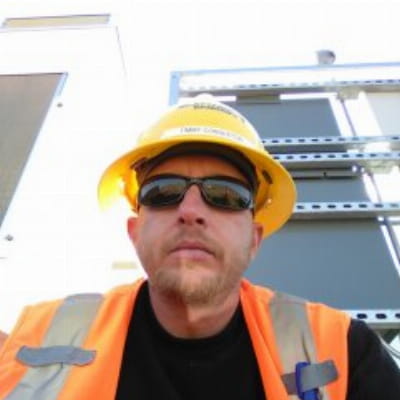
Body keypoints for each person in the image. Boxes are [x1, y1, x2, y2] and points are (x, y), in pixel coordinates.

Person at [0, 96, 399, 400]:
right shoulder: (34, 337)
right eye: (163, 192)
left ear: (254, 238)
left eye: (225, 195)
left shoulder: (344, 348)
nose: (191, 212)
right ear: (135, 232)